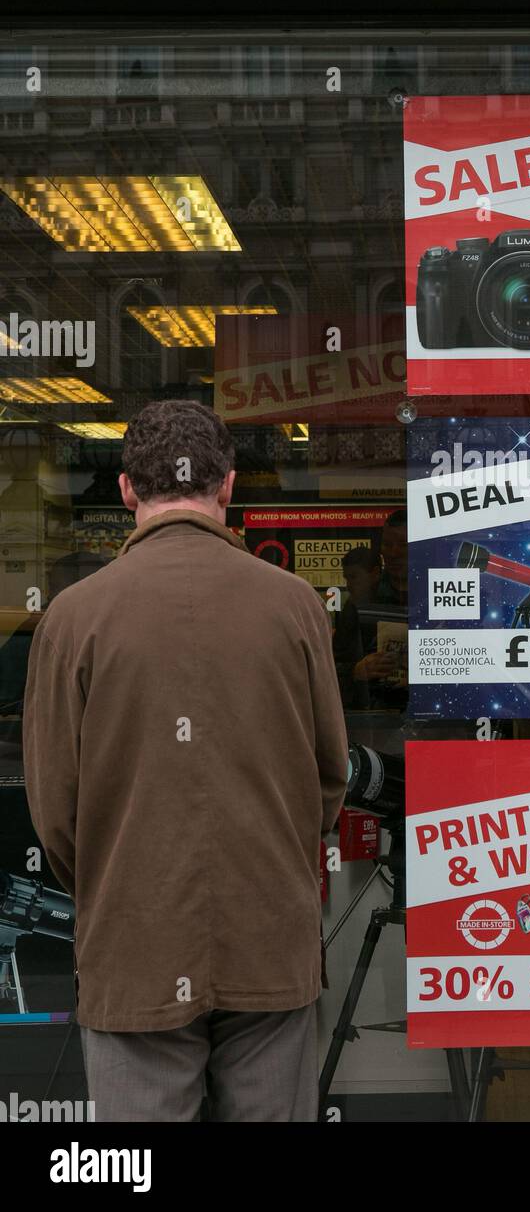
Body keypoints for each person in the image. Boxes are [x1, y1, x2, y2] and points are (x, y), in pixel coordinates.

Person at [22, 400, 349, 1122]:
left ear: (127, 490)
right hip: (270, 932)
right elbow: (330, 777)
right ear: (228, 486)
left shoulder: (75, 617)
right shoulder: (295, 606)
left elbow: (55, 810)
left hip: (135, 934)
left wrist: (119, 871)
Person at [333, 509, 408, 711]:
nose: (393, 553)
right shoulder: (361, 601)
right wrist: (357, 671)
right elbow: (332, 668)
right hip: (374, 717)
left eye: (402, 545)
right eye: (387, 544)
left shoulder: (440, 595)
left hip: (431, 721)